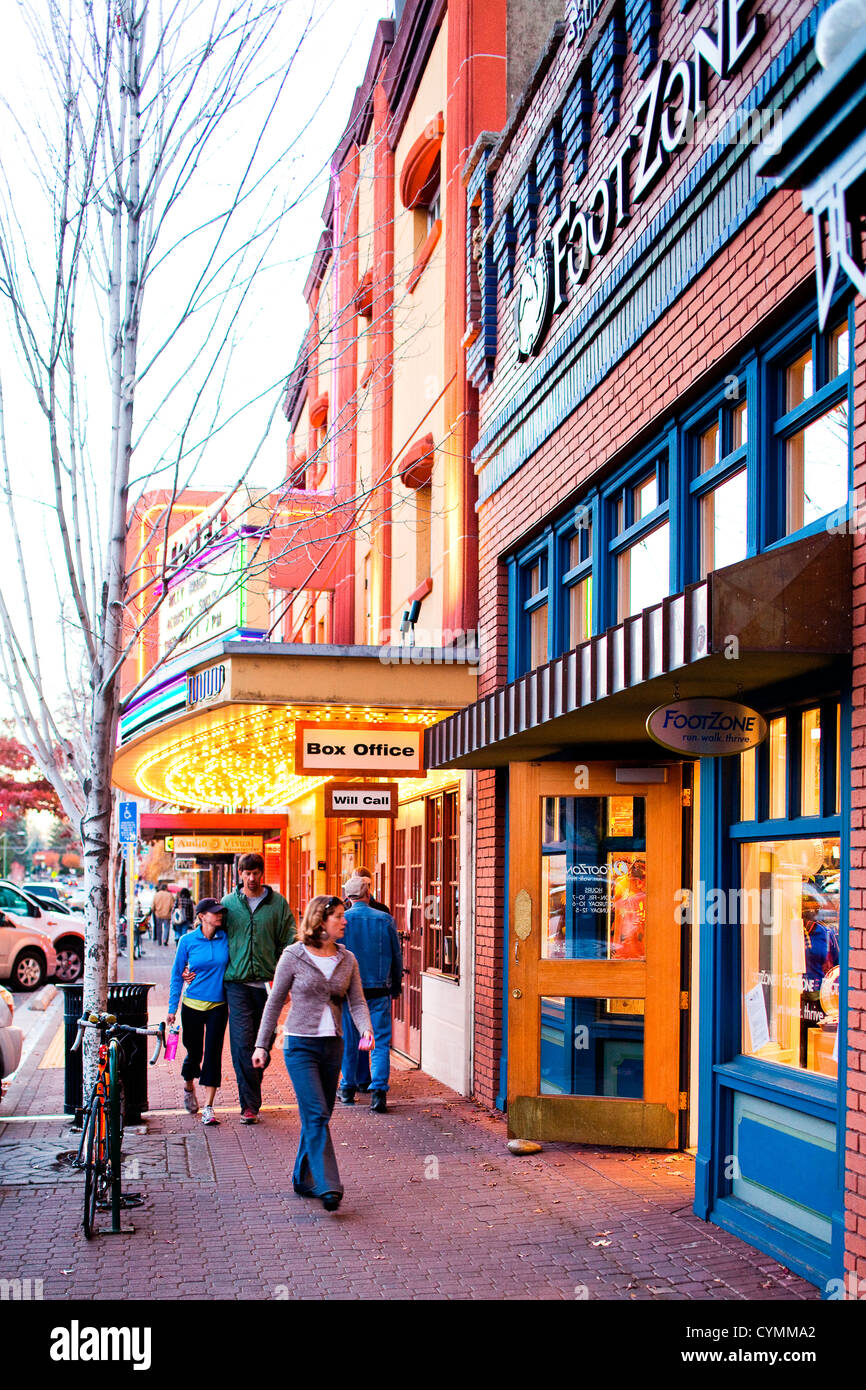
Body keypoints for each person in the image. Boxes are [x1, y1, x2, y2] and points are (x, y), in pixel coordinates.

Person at [252, 895, 373, 1211]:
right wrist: (262, 1044)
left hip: (332, 1045)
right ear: (321, 921)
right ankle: (328, 1185)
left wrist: (366, 1029)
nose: (345, 921)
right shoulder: (293, 956)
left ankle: (301, 1177)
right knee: (317, 1113)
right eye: (339, 917)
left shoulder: (348, 960)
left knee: (319, 1115)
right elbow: (275, 1001)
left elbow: (357, 1002)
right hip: (299, 1045)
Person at [220, 852, 296, 1124]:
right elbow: (213, 938)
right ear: (240, 874)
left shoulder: (278, 905)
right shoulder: (228, 904)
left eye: (256, 873)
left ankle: (253, 1088)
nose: (251, 878)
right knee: (242, 1044)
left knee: (263, 1043)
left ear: (262, 873)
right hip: (237, 984)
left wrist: (285, 981)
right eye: (246, 873)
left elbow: (289, 943)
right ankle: (249, 1106)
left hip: (267, 987)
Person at [339, 872, 403, 1113]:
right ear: (368, 893)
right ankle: (378, 1092)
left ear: (348, 895)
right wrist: (395, 986)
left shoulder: (343, 920)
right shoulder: (385, 920)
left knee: (351, 1040)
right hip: (378, 990)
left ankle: (347, 1088)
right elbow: (396, 957)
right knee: (379, 1042)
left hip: (349, 991)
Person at [168, 899, 230, 1126]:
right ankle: (188, 1085)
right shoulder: (187, 941)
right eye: (214, 913)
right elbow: (177, 975)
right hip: (192, 1005)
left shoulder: (226, 939)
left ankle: (209, 1107)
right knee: (195, 1053)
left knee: (213, 1055)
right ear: (202, 916)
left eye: (220, 912)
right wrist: (172, 1009)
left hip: (218, 1006)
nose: (219, 916)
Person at [152, 881, 173, 947]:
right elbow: (172, 905)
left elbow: (153, 905)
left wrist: (153, 910)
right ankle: (165, 940)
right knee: (167, 927)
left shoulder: (157, 894)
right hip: (167, 914)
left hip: (158, 914)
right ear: (166, 888)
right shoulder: (169, 895)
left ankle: (159, 941)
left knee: (159, 928)